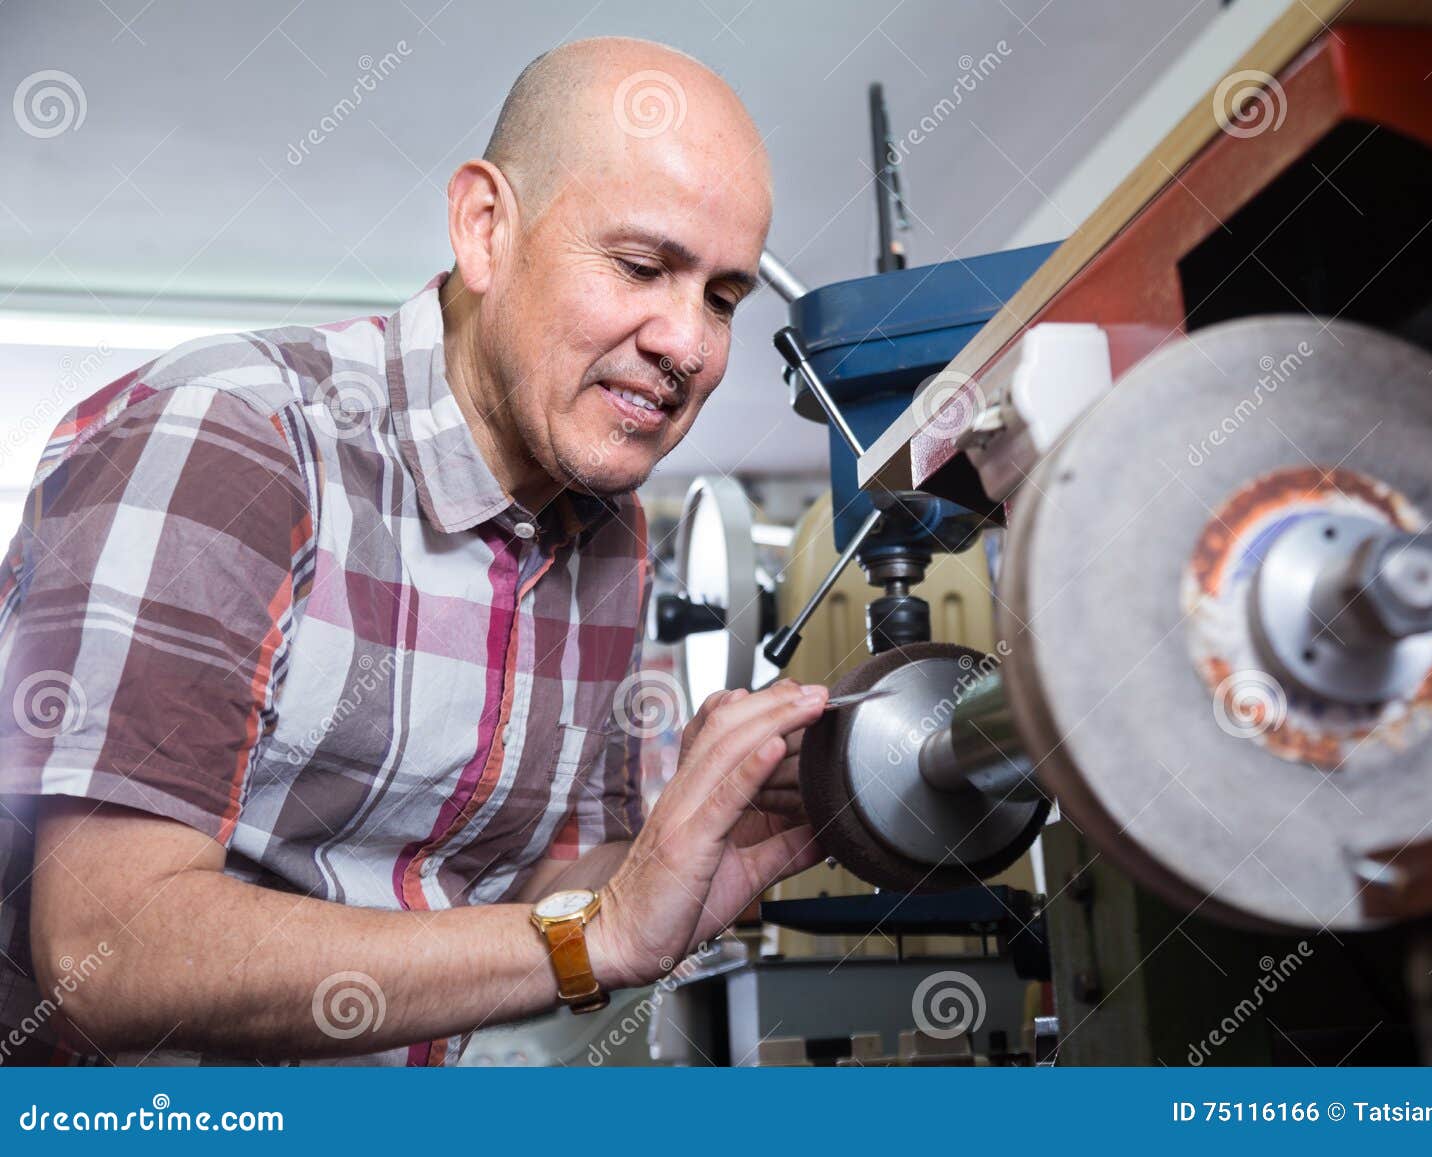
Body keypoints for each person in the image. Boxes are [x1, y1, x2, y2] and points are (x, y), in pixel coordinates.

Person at [0, 35, 827, 1065]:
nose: (690, 346)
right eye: (640, 266)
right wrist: (599, 934)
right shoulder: (235, 442)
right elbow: (104, 952)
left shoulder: (609, 536)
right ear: (486, 229)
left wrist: (695, 846)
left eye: (721, 297)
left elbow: (529, 895)